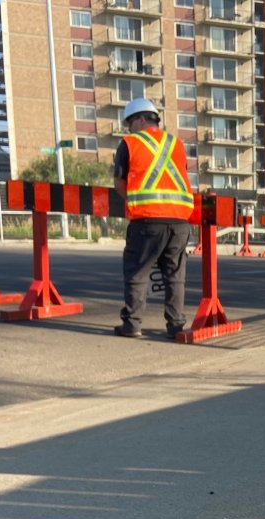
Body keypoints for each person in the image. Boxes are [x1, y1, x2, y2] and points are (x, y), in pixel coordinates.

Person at [112, 97, 198, 339]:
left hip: (148, 220)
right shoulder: (176, 143)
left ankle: (132, 324)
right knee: (174, 275)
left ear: (140, 119)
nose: (129, 128)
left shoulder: (130, 143)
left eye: (130, 122)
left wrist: (135, 198)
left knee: (137, 272)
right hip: (180, 221)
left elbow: (119, 182)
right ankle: (176, 326)